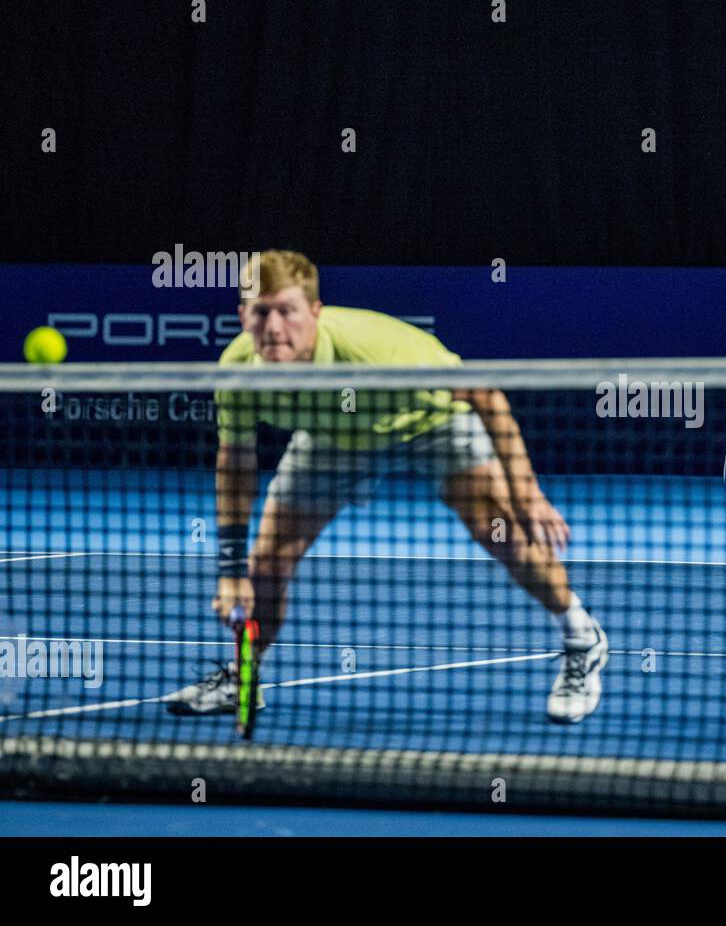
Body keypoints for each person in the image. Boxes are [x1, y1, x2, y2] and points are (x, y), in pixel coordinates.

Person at [165, 250, 607, 724]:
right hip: (333, 439)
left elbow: (485, 394)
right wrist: (231, 571)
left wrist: (527, 495)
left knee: (501, 532)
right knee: (267, 565)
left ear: (315, 313)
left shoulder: (378, 356)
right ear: (243, 316)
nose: (274, 327)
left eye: (287, 311)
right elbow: (236, 464)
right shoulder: (237, 372)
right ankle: (245, 679)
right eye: (261, 311)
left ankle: (582, 637)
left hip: (428, 424)